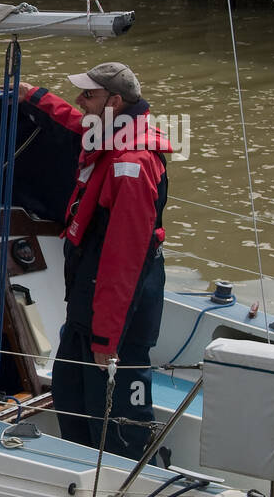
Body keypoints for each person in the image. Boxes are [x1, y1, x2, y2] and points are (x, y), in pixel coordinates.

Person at [19, 62, 173, 460]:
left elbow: (124, 261)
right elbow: (75, 121)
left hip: (116, 301)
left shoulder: (132, 167)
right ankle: (80, 462)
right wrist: (33, 96)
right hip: (89, 292)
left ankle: (133, 476)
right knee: (70, 390)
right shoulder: (112, 131)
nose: (79, 101)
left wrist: (106, 338)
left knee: (116, 410)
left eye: (88, 95)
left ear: (115, 102)